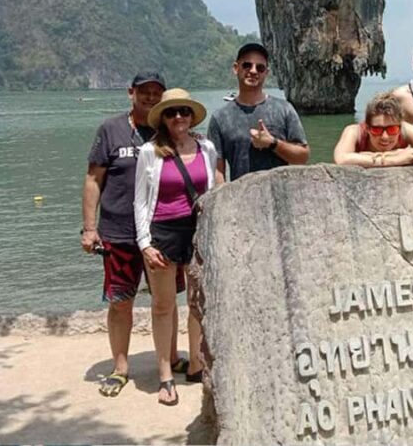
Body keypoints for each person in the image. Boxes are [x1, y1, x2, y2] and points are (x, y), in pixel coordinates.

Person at [82, 72, 187, 398]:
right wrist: (89, 228)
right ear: (131, 92)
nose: (151, 97)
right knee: (121, 302)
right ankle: (120, 367)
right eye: (145, 92)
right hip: (119, 231)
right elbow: (93, 180)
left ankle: (170, 357)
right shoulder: (111, 130)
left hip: (162, 234)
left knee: (166, 302)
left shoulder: (168, 129)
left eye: (157, 92)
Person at [134, 88, 222, 406]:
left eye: (183, 111)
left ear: (191, 115)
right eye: (171, 113)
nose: (179, 117)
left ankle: (197, 364)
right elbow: (141, 201)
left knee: (197, 303)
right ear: (163, 119)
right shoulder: (150, 152)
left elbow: (212, 190)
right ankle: (165, 375)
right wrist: (144, 243)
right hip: (162, 233)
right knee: (163, 305)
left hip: (197, 232)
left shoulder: (206, 148)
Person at [208, 43, 310, 181]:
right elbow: (217, 171)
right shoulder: (219, 118)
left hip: (280, 198)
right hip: (240, 198)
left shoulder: (284, 109)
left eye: (260, 67)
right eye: (247, 65)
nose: (253, 71)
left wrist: (273, 143)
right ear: (236, 68)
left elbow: (302, 157)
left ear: (266, 73)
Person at [333, 91, 413, 167]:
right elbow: (341, 159)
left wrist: (407, 153)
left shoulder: (405, 129)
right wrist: (390, 160)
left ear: (399, 128)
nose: (385, 137)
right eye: (377, 130)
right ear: (367, 128)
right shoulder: (354, 132)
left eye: (392, 130)